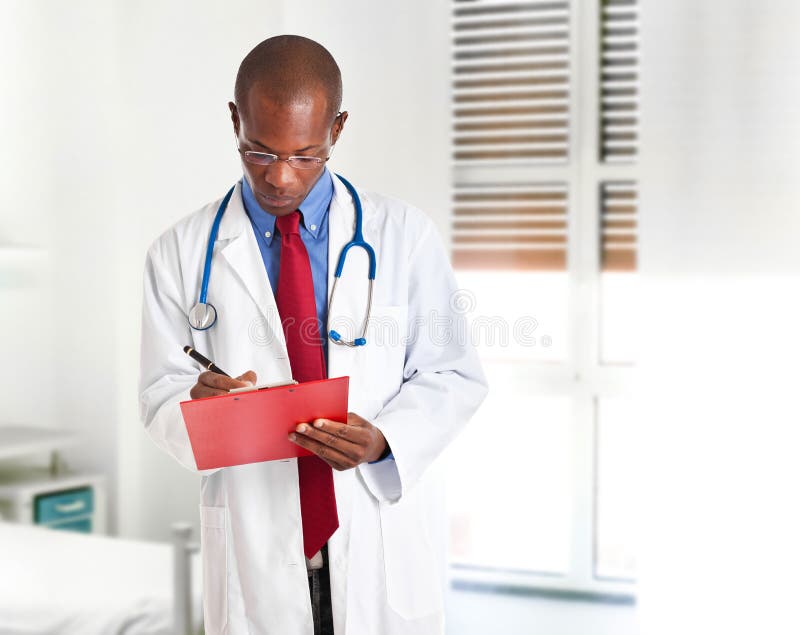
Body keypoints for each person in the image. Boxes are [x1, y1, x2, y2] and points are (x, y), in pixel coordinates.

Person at [139, 35, 486, 635]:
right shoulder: (180, 251)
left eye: (305, 155)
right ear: (234, 120)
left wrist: (384, 440)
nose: (279, 176)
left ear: (338, 129)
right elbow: (159, 392)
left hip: (372, 524)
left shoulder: (404, 235)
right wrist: (199, 408)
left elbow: (452, 372)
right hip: (257, 531)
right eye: (257, 150)